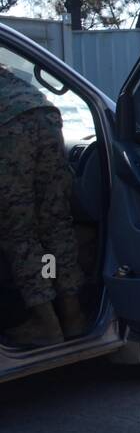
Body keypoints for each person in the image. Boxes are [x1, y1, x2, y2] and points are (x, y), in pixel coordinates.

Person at [0, 64, 88, 346]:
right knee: (56, 223)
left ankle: (46, 326)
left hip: (9, 123)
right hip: (44, 112)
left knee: (18, 230)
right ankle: (72, 317)